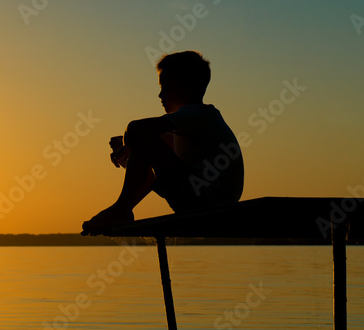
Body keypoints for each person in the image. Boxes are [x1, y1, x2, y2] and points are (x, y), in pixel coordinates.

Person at [82, 51, 243, 235]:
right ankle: (122, 210)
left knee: (145, 139)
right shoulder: (187, 130)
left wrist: (128, 145)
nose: (160, 95)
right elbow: (152, 178)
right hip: (201, 200)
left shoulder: (199, 114)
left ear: (189, 89)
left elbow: (135, 129)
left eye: (166, 88)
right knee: (147, 141)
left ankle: (120, 209)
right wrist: (131, 156)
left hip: (209, 204)